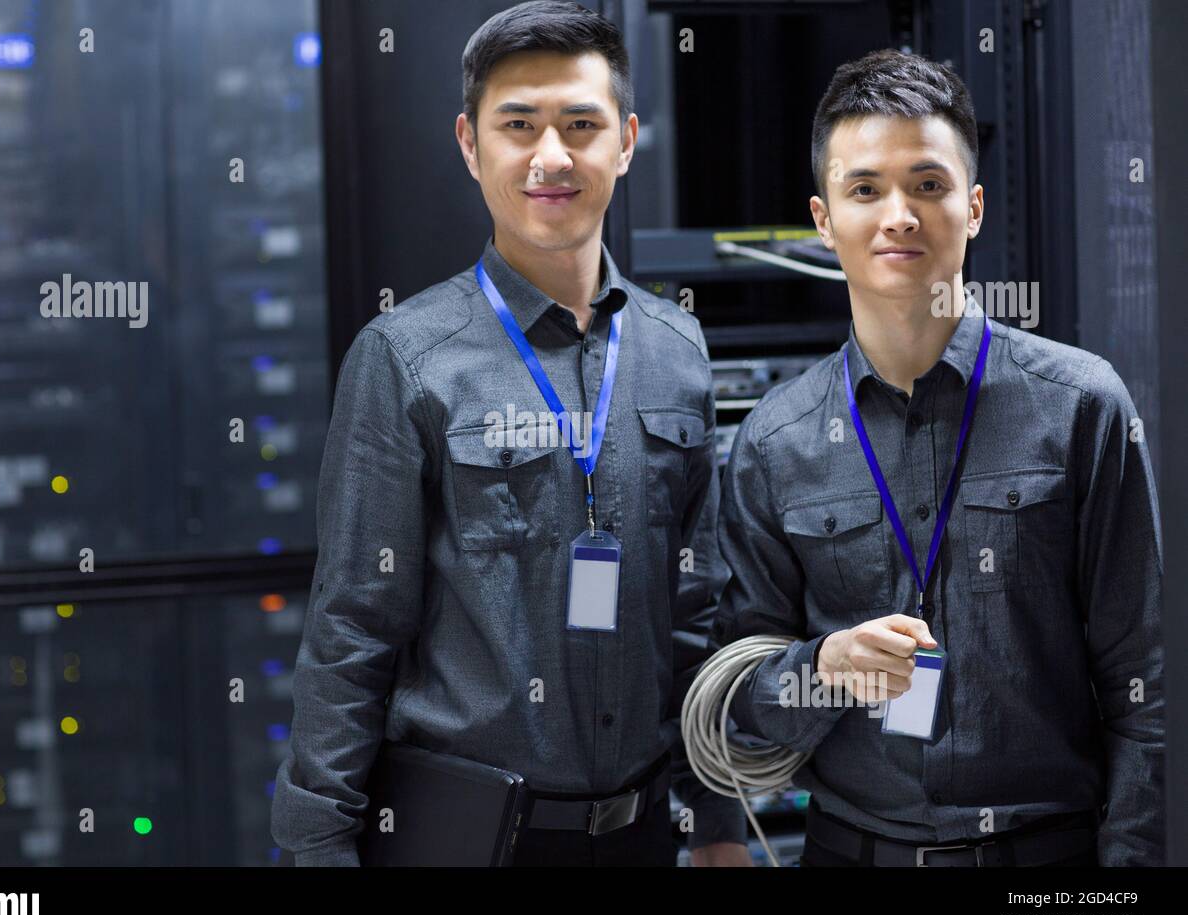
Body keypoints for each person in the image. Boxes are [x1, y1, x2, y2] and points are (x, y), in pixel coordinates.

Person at [271, 0, 749, 867]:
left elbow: (693, 615)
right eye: (518, 126)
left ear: (628, 141)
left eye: (580, 125)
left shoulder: (676, 349)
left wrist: (716, 823)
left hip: (640, 838)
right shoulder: (406, 358)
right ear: (470, 143)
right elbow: (353, 627)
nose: (551, 156)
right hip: (466, 841)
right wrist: (318, 851)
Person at [714, 49, 1163, 866]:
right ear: (822, 220)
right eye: (865, 189)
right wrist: (824, 668)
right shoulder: (775, 442)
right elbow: (740, 704)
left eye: (929, 184)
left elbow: (1148, 683)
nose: (899, 215)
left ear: (976, 205)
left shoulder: (1081, 405)